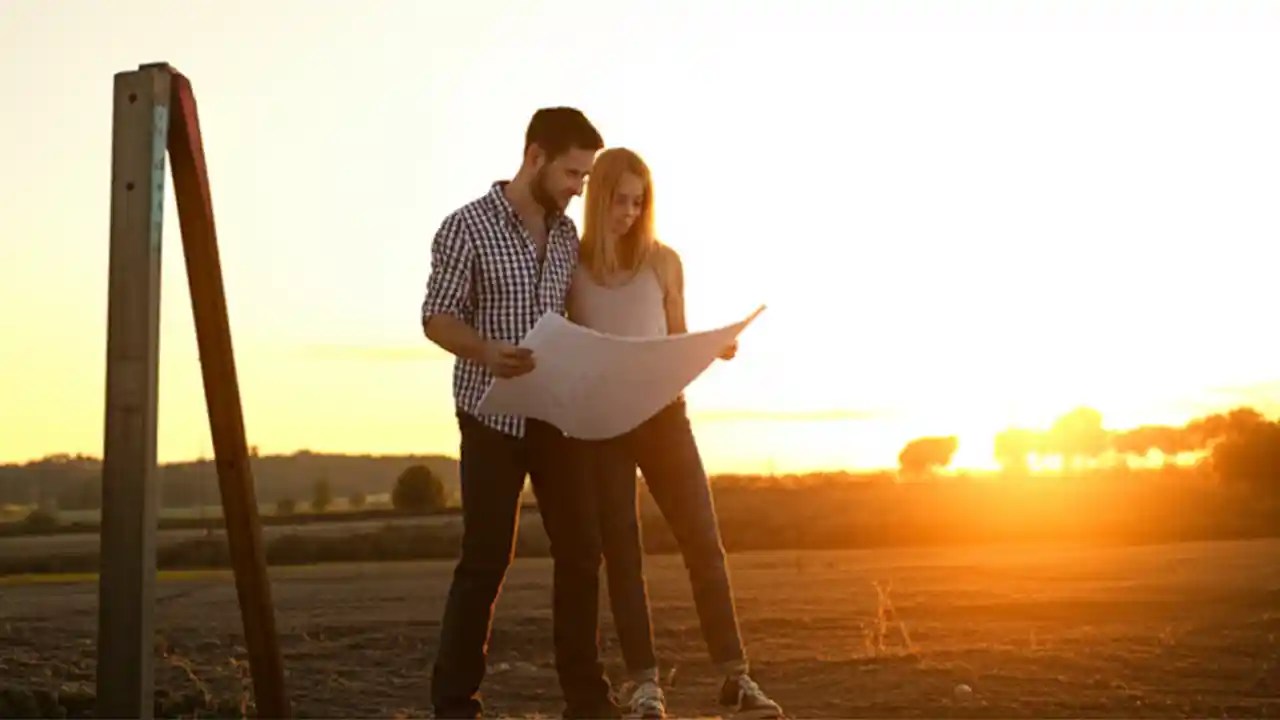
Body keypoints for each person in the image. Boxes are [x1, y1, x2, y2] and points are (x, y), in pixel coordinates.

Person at [567, 147, 788, 720]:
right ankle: (645, 687)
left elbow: (676, 340)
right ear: (600, 198)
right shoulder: (571, 264)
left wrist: (711, 349)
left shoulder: (665, 262)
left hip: (665, 418)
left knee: (704, 546)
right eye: (620, 200)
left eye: (640, 202)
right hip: (604, 426)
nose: (630, 212)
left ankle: (736, 679)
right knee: (622, 554)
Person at [421, 107, 622, 719]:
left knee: (583, 552)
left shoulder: (566, 237)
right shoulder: (465, 227)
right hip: (489, 415)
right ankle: (454, 704)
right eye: (571, 172)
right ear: (535, 156)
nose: (578, 187)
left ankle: (587, 701)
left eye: (585, 176)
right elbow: (436, 317)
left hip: (555, 417)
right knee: (486, 557)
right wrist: (486, 351)